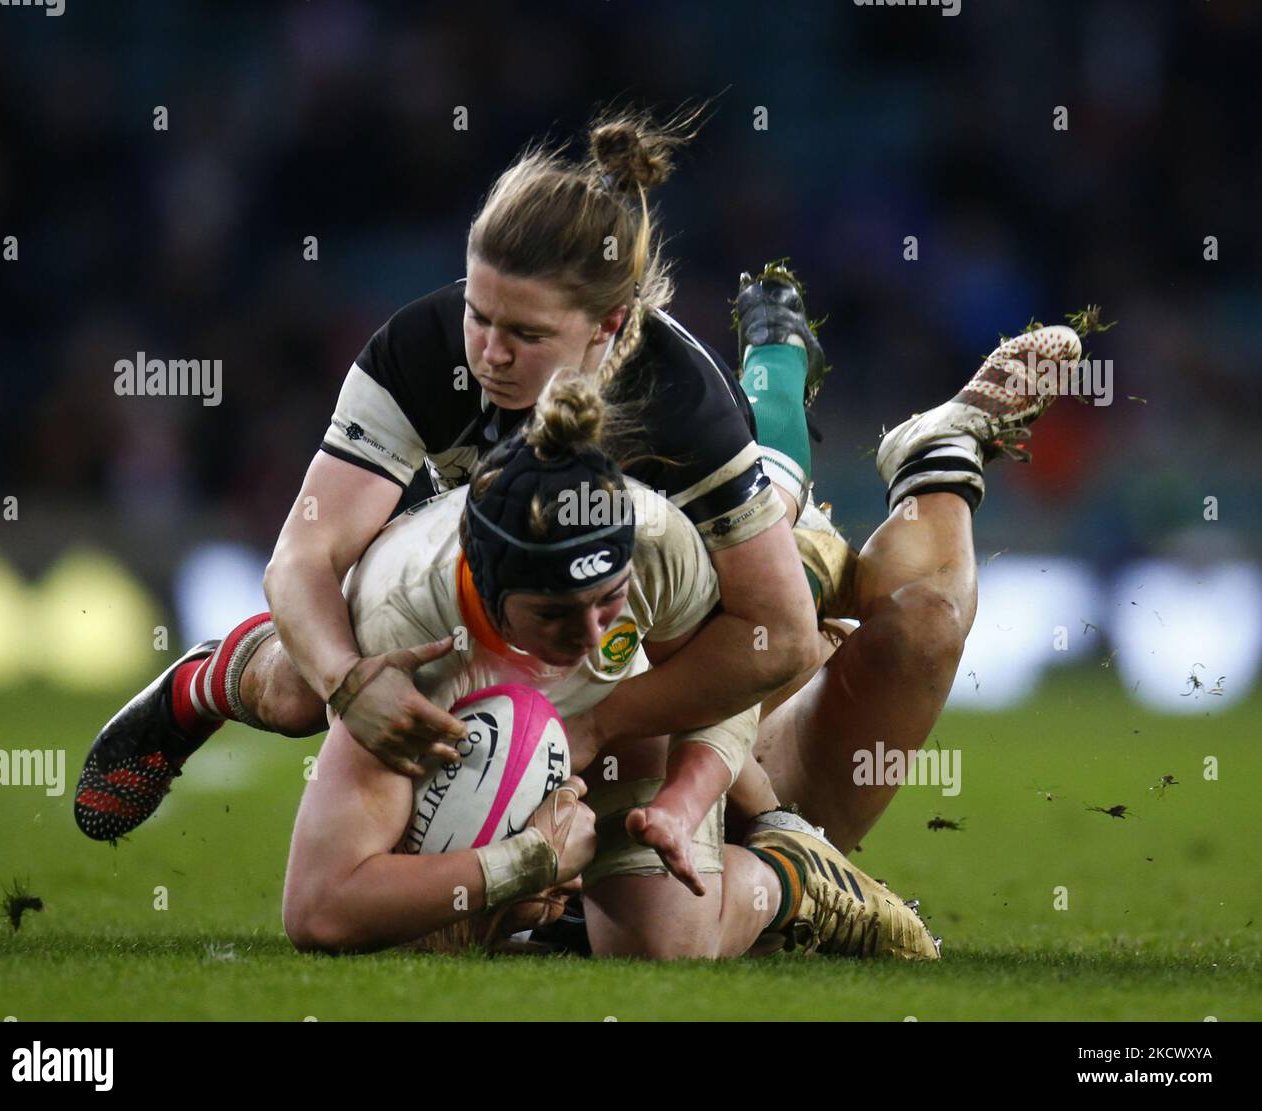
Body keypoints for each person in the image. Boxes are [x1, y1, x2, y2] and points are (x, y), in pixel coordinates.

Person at [74, 107, 825, 843]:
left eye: (526, 334)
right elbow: (303, 556)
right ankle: (202, 683)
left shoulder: (685, 406)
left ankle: (777, 359)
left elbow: (779, 635)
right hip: (494, 569)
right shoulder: (419, 351)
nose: (490, 354)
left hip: (631, 596)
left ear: (609, 326)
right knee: (302, 690)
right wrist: (347, 682)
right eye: (480, 314)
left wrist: (596, 724)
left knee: (778, 518)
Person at [282, 372, 939, 961]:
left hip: (621, 712)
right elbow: (319, 908)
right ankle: (184, 700)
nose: (593, 634)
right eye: (558, 618)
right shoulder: (408, 630)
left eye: (609, 602)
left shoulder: (656, 542)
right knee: (288, 695)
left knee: (668, 942)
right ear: (487, 592)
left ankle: (793, 877)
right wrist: (522, 863)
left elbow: (741, 676)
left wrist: (682, 801)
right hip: (457, 697)